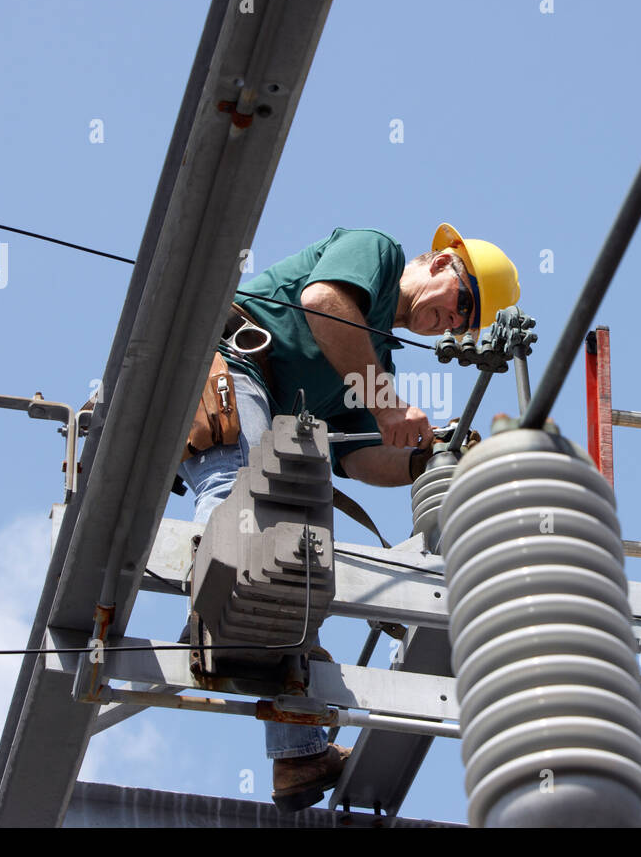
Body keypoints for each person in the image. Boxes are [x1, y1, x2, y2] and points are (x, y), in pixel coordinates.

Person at [179, 223, 520, 810]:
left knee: (290, 575)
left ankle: (298, 753)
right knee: (250, 515)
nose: (455, 325)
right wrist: (387, 402)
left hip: (263, 415)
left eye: (467, 324)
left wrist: (428, 458)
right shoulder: (378, 255)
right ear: (441, 263)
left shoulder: (375, 356)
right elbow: (323, 303)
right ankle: (214, 609)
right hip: (231, 369)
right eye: (462, 304)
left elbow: (357, 456)